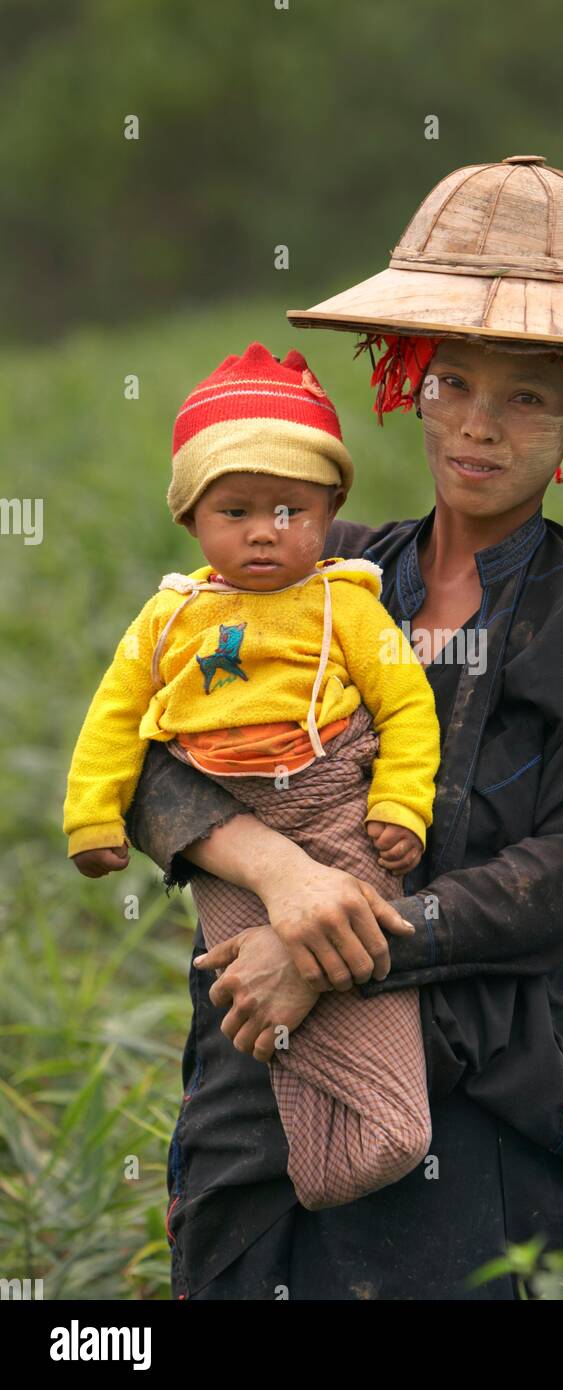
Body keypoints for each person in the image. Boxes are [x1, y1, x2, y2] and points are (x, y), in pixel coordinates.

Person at [125, 154, 563, 1300]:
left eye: (524, 397)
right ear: (410, 379)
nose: (476, 427)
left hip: (483, 1077)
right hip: (259, 1054)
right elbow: (151, 765)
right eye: (450, 383)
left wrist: (328, 956)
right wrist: (279, 876)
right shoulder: (320, 567)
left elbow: (559, 882)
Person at [62, 341, 442, 1211]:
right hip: (232, 829)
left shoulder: (348, 600)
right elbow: (115, 723)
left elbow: (406, 711)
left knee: (354, 1007)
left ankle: (360, 1140)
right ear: (191, 519)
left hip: (339, 814)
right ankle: (315, 1156)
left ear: (332, 509)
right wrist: (93, 821)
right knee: (260, 1005)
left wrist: (399, 805)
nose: (265, 531)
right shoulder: (170, 618)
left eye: (290, 510)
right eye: (235, 512)